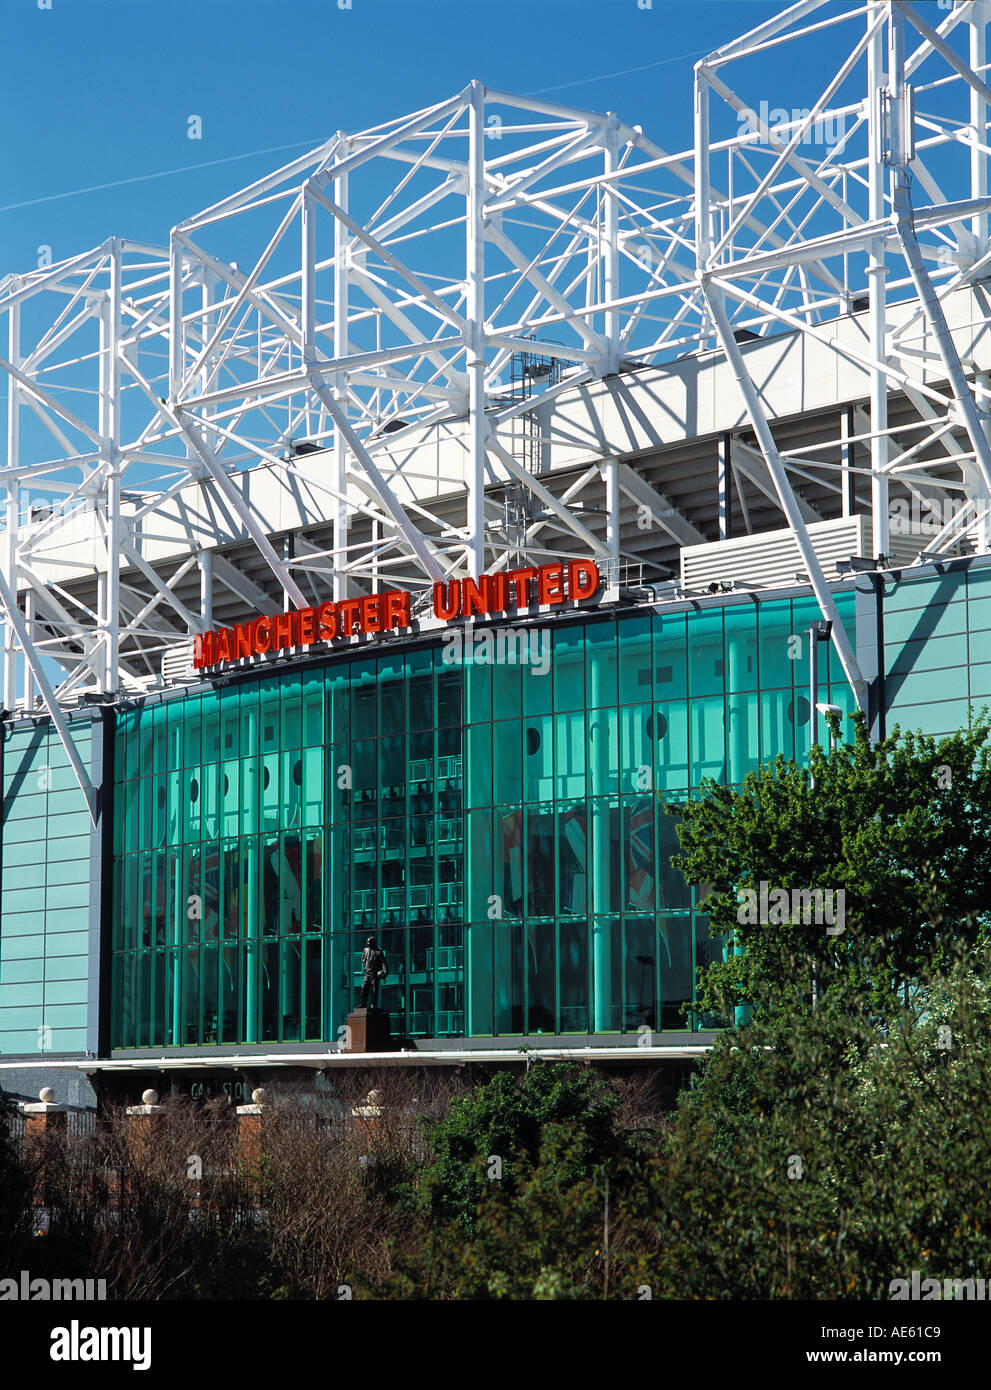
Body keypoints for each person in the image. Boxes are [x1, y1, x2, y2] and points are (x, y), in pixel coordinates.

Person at [359, 936, 387, 1009]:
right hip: (367, 973)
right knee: (364, 988)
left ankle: (373, 1004)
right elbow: (362, 958)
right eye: (368, 943)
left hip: (374, 973)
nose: (369, 945)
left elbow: (383, 962)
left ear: (374, 943)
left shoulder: (379, 952)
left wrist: (384, 970)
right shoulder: (365, 950)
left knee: (374, 989)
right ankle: (363, 1003)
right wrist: (365, 965)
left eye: (370, 943)